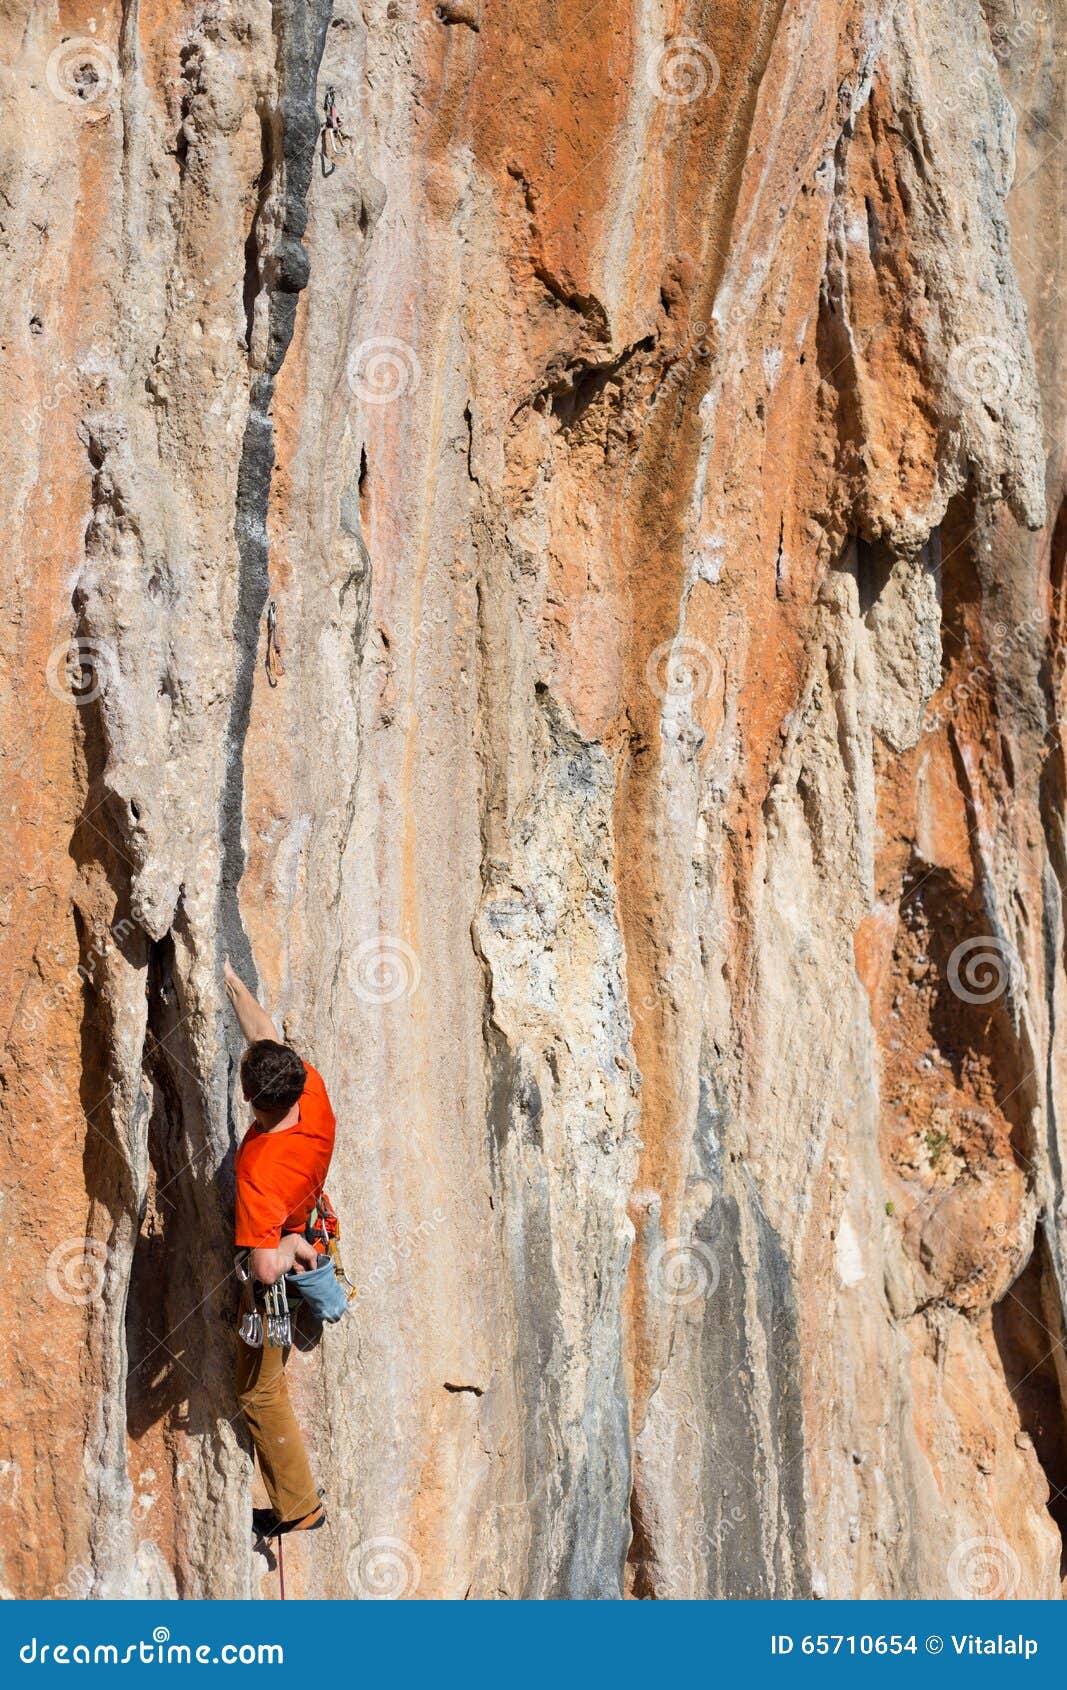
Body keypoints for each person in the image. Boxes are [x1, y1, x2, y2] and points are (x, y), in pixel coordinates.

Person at [224, 956, 335, 1536]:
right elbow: (265, 1035)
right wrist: (236, 985)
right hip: (312, 1219)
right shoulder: (309, 1091)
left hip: (278, 1274)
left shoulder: (262, 1170)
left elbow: (265, 1269)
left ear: (250, 1100)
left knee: (259, 1390)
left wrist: (287, 1240)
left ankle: (299, 1509)